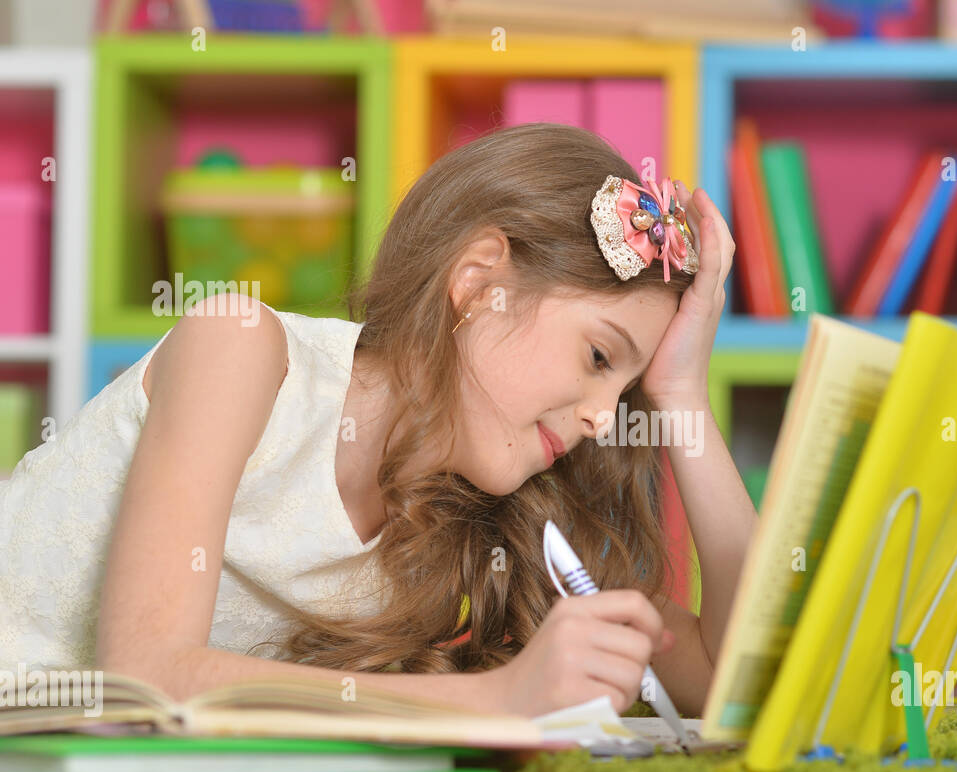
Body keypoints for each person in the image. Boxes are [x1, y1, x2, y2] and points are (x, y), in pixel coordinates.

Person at [0, 122, 756, 719]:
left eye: (627, 390)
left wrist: (682, 393)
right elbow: (144, 678)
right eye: (598, 356)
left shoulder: (492, 519)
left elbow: (734, 680)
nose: (602, 418)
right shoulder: (242, 349)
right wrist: (493, 699)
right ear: (477, 282)